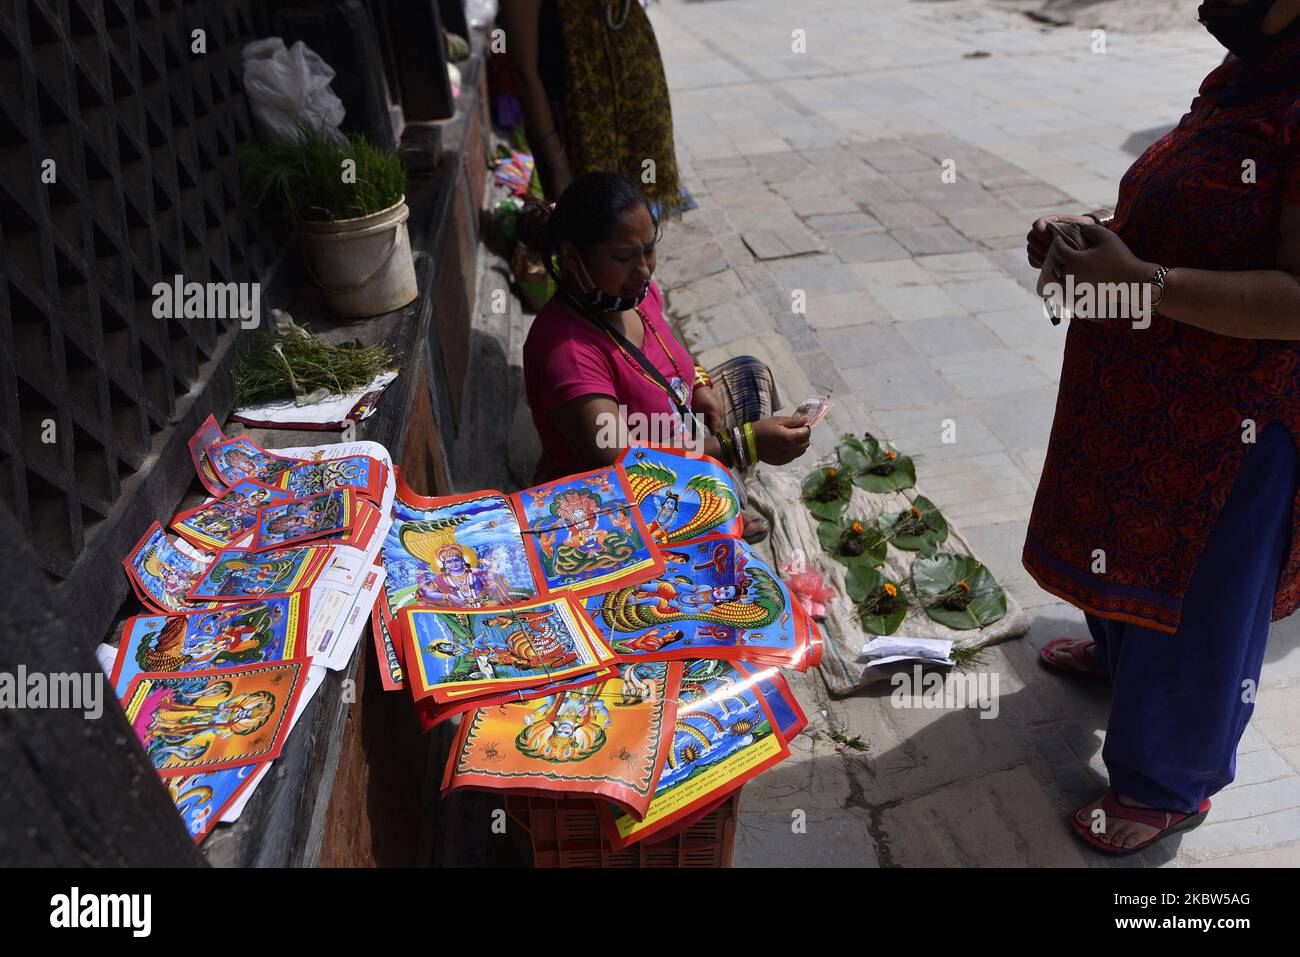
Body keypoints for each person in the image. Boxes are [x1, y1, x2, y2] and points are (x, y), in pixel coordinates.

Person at [1023, 0, 1300, 854]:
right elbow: (1202, 211)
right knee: (1129, 543)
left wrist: (1142, 283)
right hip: (1150, 394)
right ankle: (1121, 659)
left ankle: (1167, 784)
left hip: (1229, 423)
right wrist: (1099, 239)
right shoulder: (1246, 79)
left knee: (1202, 589)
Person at [520, 172, 811, 538]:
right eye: (623, 257)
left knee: (749, 375)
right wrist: (743, 443)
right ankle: (715, 505)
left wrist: (700, 385)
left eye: (648, 249)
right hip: (621, 498)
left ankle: (723, 493)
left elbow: (673, 356)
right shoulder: (565, 350)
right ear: (572, 258)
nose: (642, 270)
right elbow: (622, 464)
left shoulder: (639, 295)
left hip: (676, 434)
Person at [497, 0, 686, 215]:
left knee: (640, 218)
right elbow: (523, 71)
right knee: (596, 223)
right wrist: (558, 165)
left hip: (637, 111)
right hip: (582, 126)